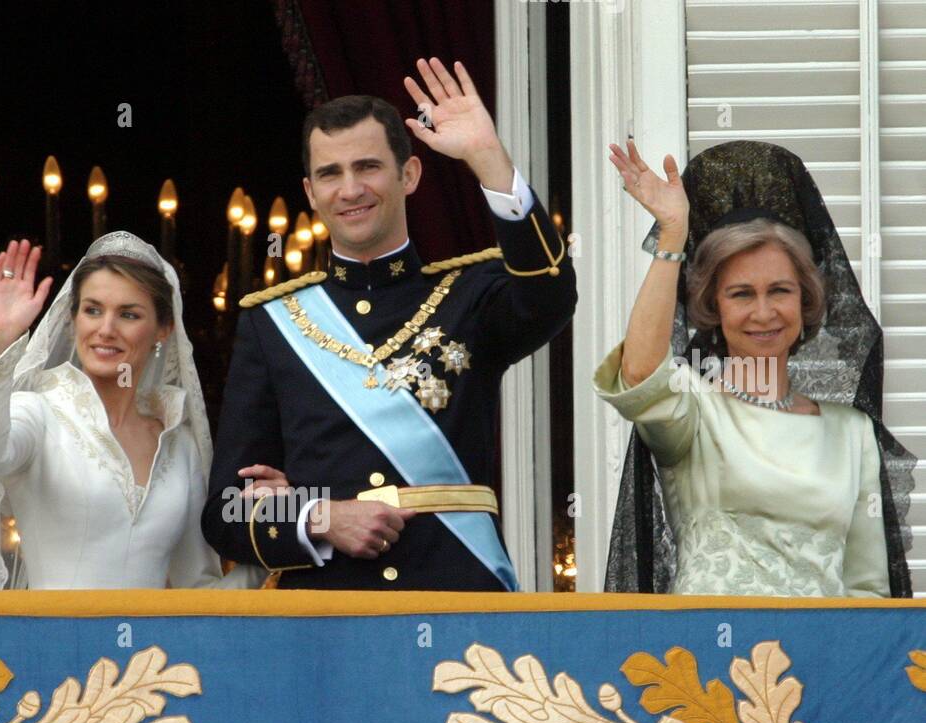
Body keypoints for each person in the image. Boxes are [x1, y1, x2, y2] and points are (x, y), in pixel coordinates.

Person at [202, 58, 576, 590]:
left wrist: (488, 159)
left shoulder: (471, 294)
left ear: (409, 174)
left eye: (368, 167)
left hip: (456, 598)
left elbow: (550, 294)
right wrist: (321, 518)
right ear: (311, 194)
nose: (350, 189)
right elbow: (225, 514)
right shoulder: (272, 322)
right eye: (331, 174)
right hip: (324, 612)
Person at [597, 139, 915, 597]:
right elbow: (640, 373)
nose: (763, 312)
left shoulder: (853, 433)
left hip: (819, 665)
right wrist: (672, 235)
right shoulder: (692, 410)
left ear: (805, 301)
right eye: (741, 294)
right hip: (706, 659)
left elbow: (869, 593)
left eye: (780, 291)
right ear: (713, 307)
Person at [0, 231, 262, 589]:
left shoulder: (180, 444)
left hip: (151, 648)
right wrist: (2, 343)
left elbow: (197, 592)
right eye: (92, 310)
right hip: (55, 644)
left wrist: (281, 548)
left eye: (129, 315)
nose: (106, 329)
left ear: (163, 330)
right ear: (73, 322)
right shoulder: (37, 411)